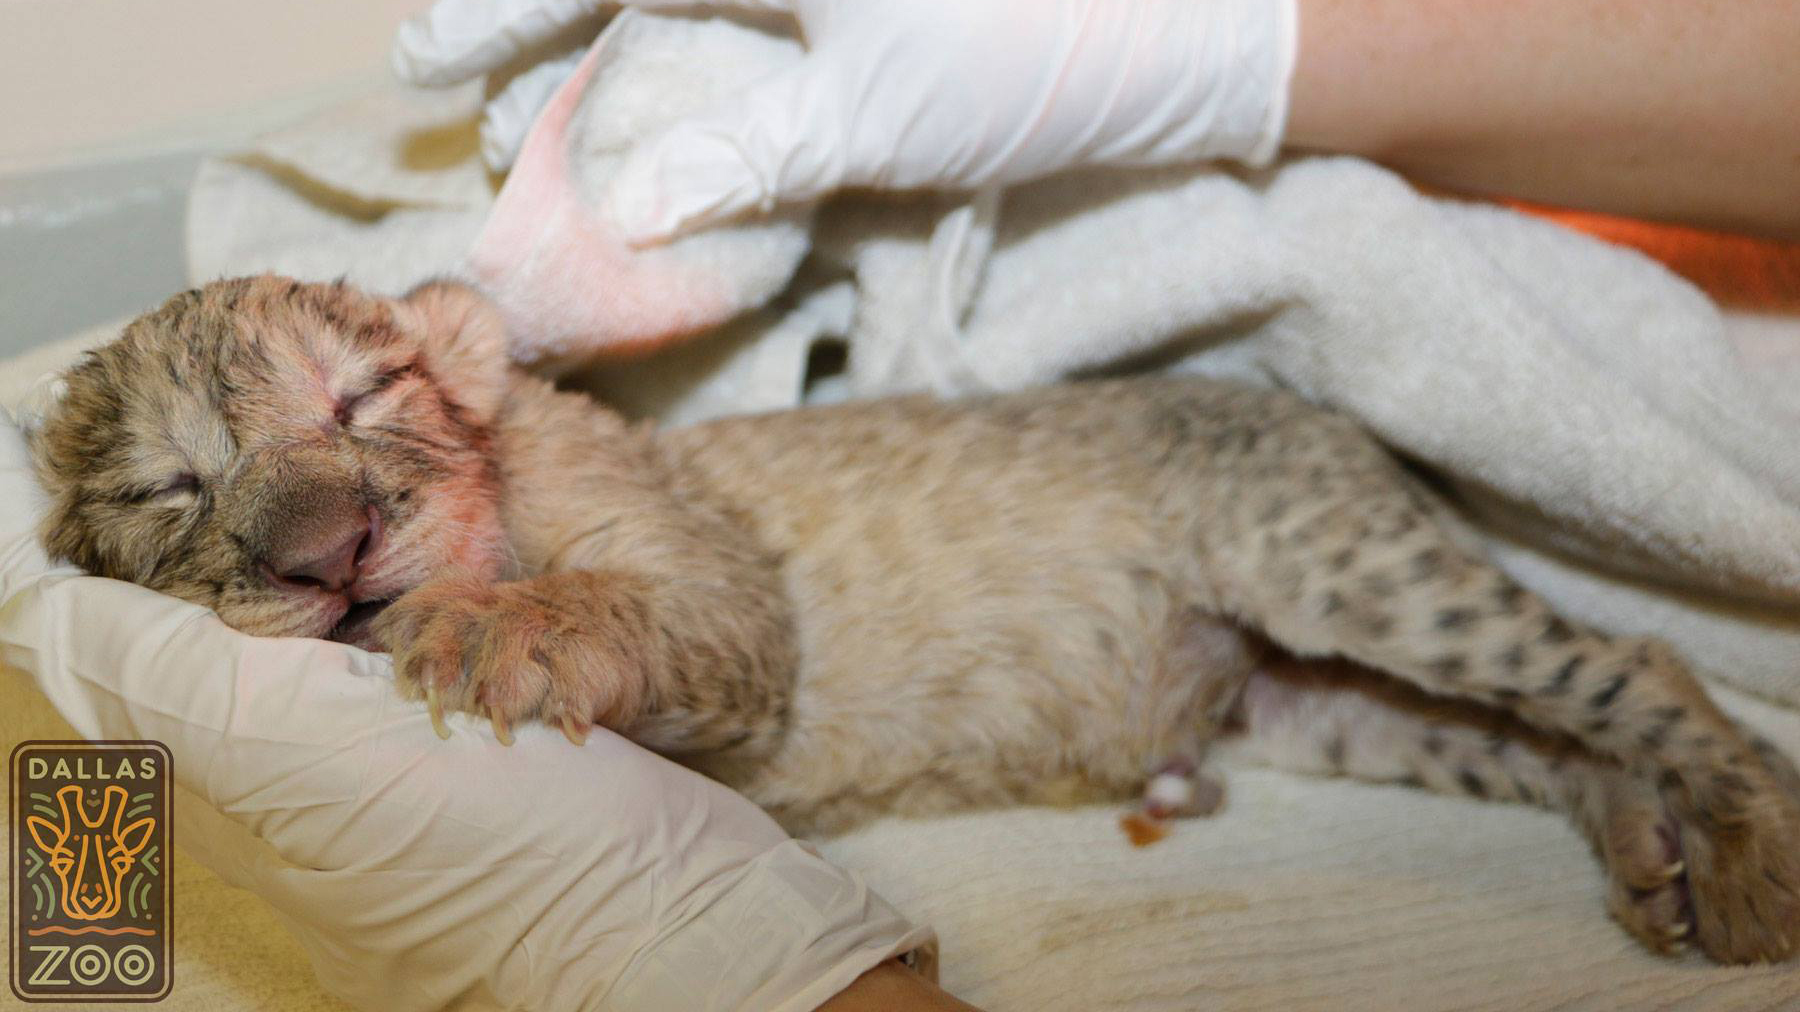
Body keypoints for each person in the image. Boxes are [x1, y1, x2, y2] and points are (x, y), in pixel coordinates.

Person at [391, 2, 1799, 1008]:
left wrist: (1212, 50)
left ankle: (1695, 748)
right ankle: (1588, 764)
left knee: (1427, 631)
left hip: (1180, 481)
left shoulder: (538, 459)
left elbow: (713, 647)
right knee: (1352, 720)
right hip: (1174, 691)